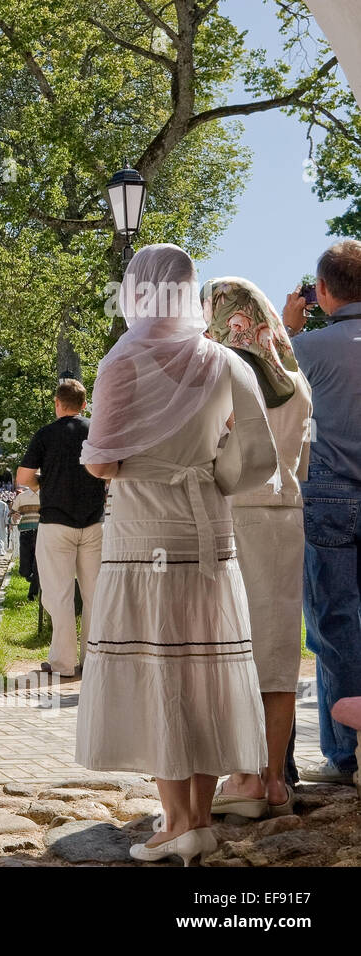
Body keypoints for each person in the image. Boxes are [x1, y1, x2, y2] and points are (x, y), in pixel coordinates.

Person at [75, 243, 273, 866]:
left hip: (143, 535)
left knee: (158, 669)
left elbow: (102, 461)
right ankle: (198, 820)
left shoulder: (123, 362)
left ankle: (177, 821)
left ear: (138, 292)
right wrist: (209, 464)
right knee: (205, 670)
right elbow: (259, 461)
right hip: (207, 537)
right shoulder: (225, 363)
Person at [203, 276, 313, 817]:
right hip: (284, 519)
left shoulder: (221, 377)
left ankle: (242, 777)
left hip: (231, 517)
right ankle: (274, 780)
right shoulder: (296, 381)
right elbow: (303, 462)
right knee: (276, 653)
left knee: (232, 649)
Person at [282, 238, 361, 783]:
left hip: (329, 492)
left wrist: (289, 326)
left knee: (334, 623)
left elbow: (261, 385)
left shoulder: (307, 349)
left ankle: (348, 750)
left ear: (323, 290)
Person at [16, 380, 106, 678]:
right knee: (95, 593)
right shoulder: (96, 429)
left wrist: (42, 485)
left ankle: (63, 663)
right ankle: (93, 659)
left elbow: (23, 476)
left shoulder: (45, 434)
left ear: (57, 403)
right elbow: (110, 468)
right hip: (94, 522)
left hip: (55, 523)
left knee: (59, 593)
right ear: (83, 404)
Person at [12, 484, 42, 600]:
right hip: (25, 533)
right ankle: (33, 578)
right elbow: (11, 516)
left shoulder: (46, 495)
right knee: (24, 570)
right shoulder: (21, 497)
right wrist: (14, 517)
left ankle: (33, 594)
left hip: (41, 533)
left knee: (37, 565)